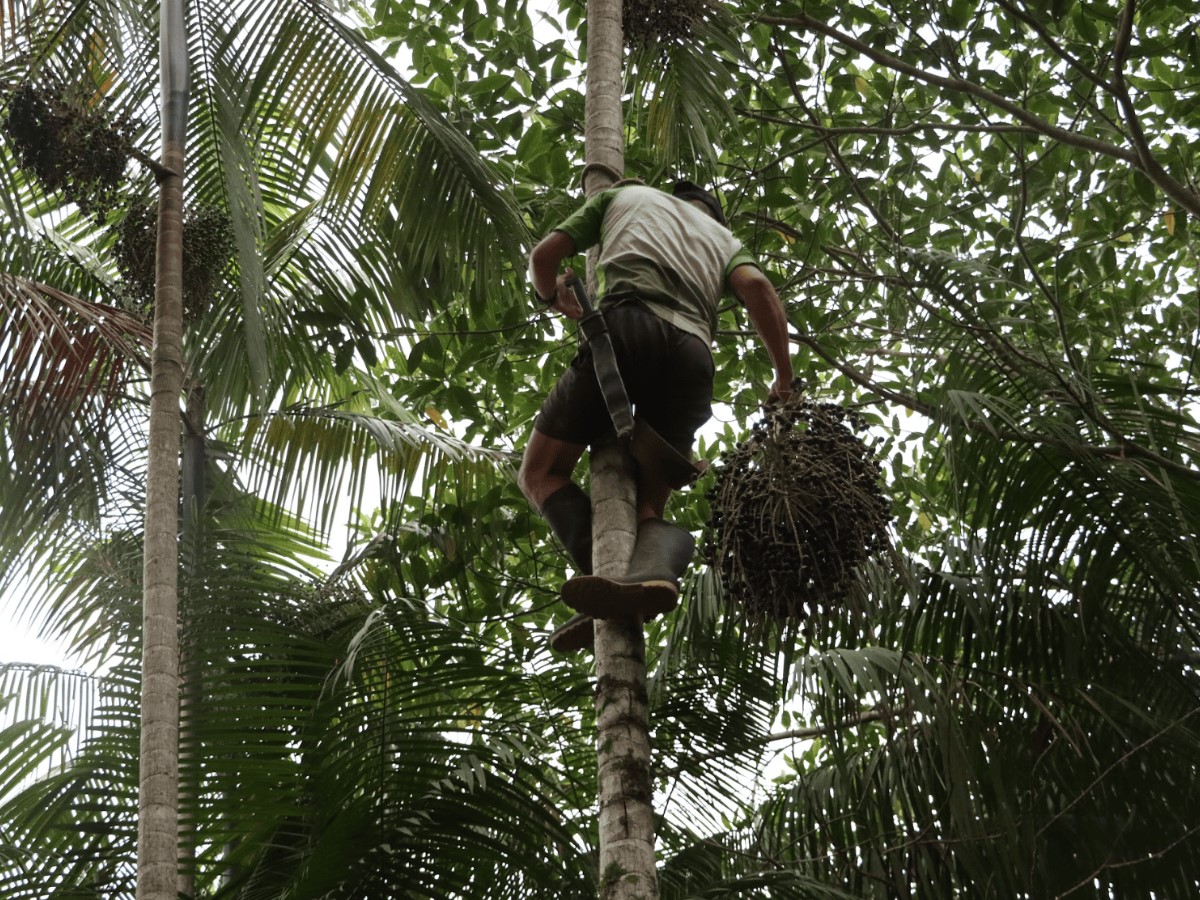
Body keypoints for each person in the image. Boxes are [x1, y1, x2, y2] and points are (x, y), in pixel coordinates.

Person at [518, 179, 793, 652]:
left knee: (540, 473)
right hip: (692, 359)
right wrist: (784, 379)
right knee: (648, 505)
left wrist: (552, 296)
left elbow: (544, 258)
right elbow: (757, 288)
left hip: (626, 329)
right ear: (711, 213)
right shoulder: (723, 239)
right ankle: (651, 576)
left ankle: (604, 576)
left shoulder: (620, 196)